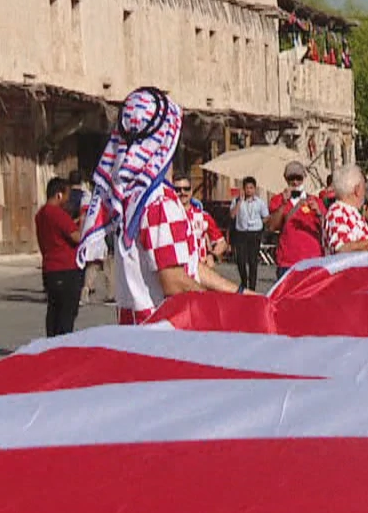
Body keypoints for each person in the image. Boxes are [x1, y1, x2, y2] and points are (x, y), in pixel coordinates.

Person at [76, 86, 241, 324]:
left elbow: (188, 268)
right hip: (162, 331)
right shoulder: (159, 203)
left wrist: (239, 294)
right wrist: (225, 313)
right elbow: (175, 282)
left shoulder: (129, 198)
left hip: (134, 325)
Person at [36, 176, 83, 337]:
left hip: (50, 268)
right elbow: (76, 236)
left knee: (53, 311)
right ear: (59, 195)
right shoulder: (57, 213)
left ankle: (52, 344)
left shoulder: (41, 214)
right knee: (66, 314)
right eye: (67, 194)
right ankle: (63, 346)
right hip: (66, 268)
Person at [322, 165, 368, 255]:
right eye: (364, 187)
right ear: (357, 189)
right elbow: (341, 248)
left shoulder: (350, 211)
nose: (365, 192)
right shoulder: (337, 212)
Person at [230, 176, 267, 293]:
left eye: (251, 188)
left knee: (252, 261)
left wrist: (260, 224)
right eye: (247, 188)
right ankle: (244, 280)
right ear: (243, 189)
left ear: (255, 189)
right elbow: (232, 215)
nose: (249, 190)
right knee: (240, 260)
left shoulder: (260, 202)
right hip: (241, 232)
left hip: (254, 233)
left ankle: (252, 286)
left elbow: (266, 216)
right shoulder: (237, 201)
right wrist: (240, 201)